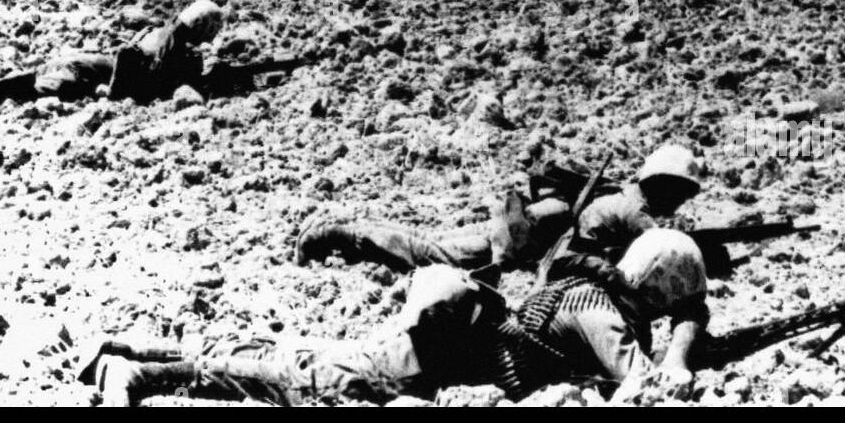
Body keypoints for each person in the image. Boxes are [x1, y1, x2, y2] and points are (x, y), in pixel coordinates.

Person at [80, 228, 707, 407]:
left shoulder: (585, 292)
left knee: (292, 358)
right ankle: (143, 376)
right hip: (412, 373)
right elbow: (649, 390)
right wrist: (682, 347)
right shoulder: (603, 315)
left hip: (428, 360)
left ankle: (134, 353)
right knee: (293, 380)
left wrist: (684, 330)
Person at [292, 143, 703, 273]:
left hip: (513, 226)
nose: (683, 200)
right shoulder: (634, 210)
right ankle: (336, 234)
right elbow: (659, 249)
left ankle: (343, 228)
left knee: (427, 241)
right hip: (512, 241)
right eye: (682, 192)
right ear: (664, 185)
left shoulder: (623, 196)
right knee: (427, 256)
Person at [0, 0, 227, 106]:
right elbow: (128, 57)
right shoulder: (170, 47)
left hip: (86, 64)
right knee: (28, 92)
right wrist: (116, 96)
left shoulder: (164, 35)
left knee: (25, 87)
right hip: (83, 72)